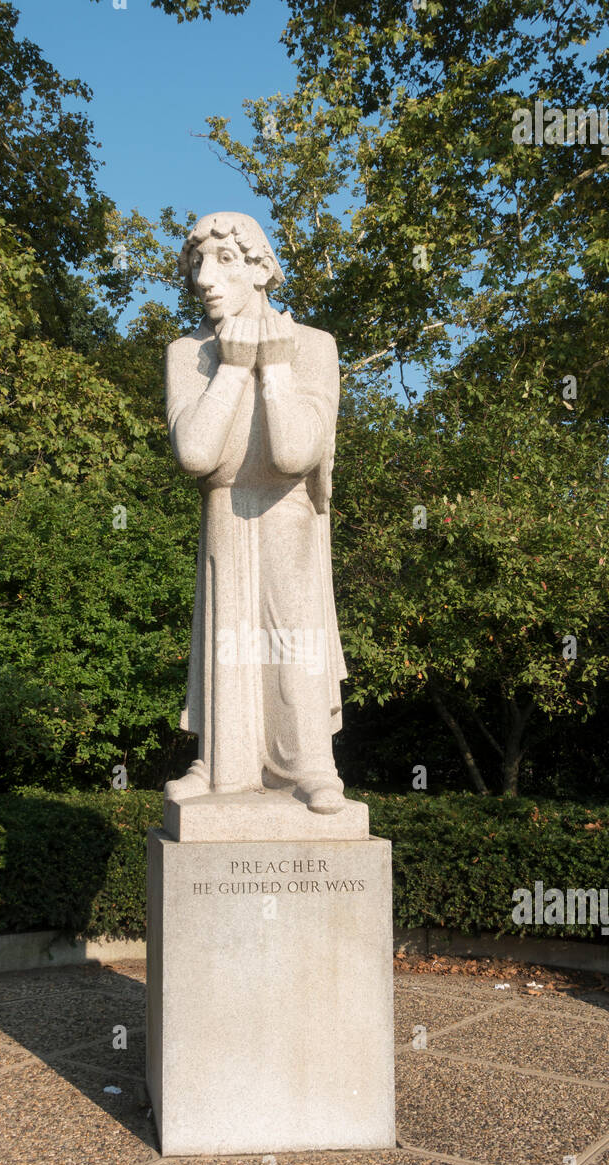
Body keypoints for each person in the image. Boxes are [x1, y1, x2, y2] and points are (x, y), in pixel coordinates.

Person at [163, 211, 348, 814]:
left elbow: (295, 452)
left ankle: (310, 767)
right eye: (197, 266)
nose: (204, 280)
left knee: (290, 637)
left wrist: (273, 365)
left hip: (287, 516)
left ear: (261, 269)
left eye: (223, 262)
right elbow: (196, 454)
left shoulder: (314, 345)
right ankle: (218, 764)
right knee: (227, 642)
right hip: (225, 514)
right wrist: (234, 367)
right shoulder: (187, 353)